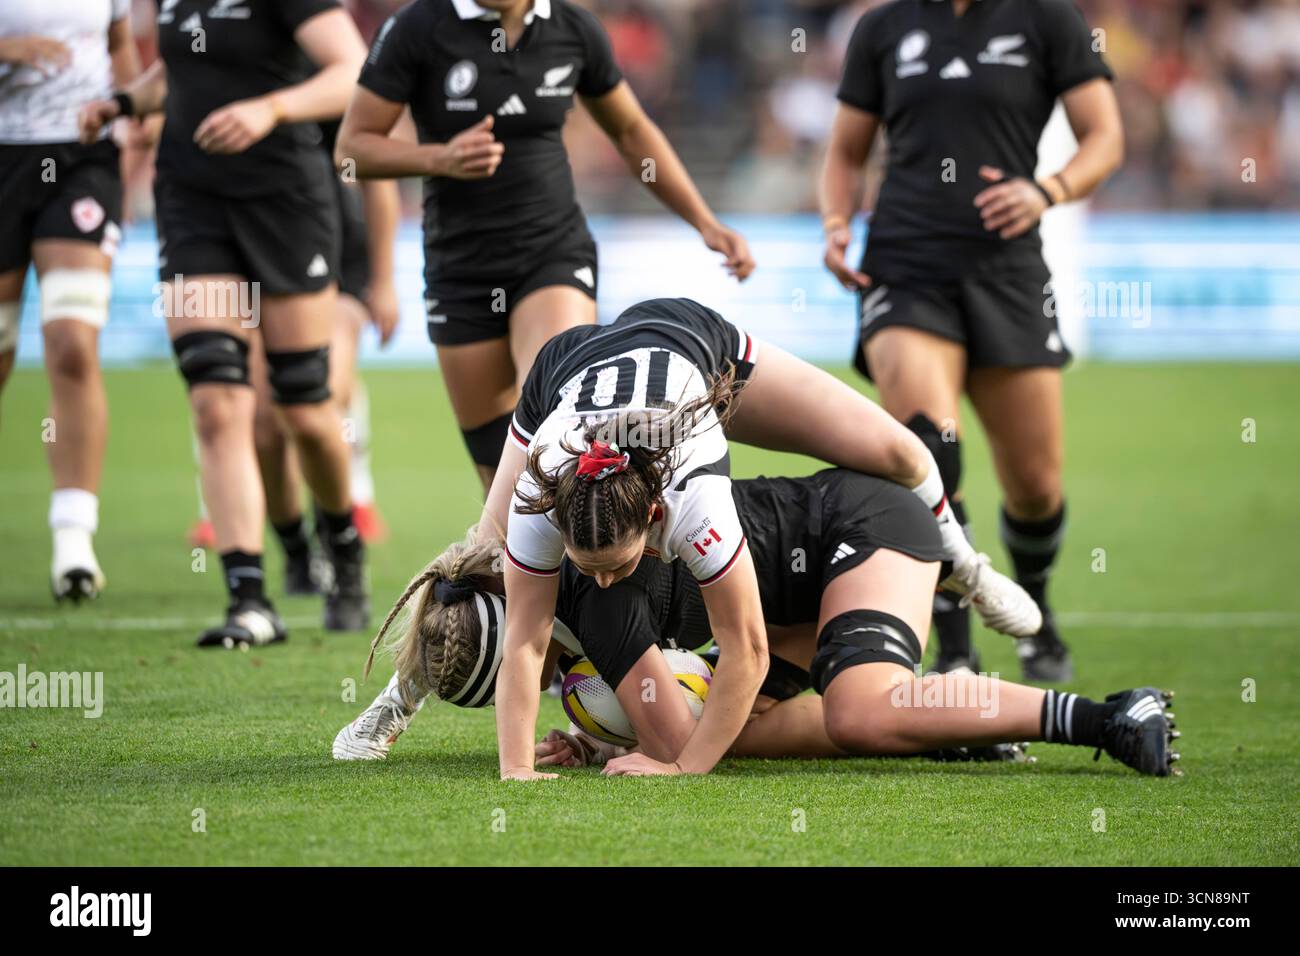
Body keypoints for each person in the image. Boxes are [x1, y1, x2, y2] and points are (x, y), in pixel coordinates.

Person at [481, 296, 1042, 780]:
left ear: (654, 514)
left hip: (691, 337)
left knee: (900, 452)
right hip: (567, 362)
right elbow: (525, 643)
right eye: (588, 567)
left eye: (615, 567)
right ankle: (396, 698)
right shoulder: (540, 493)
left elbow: (748, 649)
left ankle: (966, 567)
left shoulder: (695, 496)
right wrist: (516, 767)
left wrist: (685, 768)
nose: (600, 582)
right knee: (484, 544)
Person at [335, 469, 1179, 777]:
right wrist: (597, 739)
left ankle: (1109, 716)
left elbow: (671, 745)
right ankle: (945, 721)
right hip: (794, 607)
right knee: (742, 726)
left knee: (827, 713)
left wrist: (624, 740)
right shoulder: (557, 579)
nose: (550, 683)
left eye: (534, 674)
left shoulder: (592, 596)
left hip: (856, 529)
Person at [819, 0, 1123, 681]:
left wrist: (1049, 190)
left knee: (1036, 486)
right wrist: (837, 221)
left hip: (1009, 272)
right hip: (904, 265)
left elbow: (1105, 135)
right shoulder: (883, 26)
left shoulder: (1049, 20)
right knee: (931, 453)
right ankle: (954, 647)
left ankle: (1035, 611)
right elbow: (845, 151)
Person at [335, 0, 754, 492]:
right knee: (501, 475)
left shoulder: (572, 28)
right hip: (459, 269)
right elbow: (351, 148)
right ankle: (521, 562)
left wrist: (703, 221)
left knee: (563, 423)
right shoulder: (417, 27)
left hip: (553, 254)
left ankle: (605, 558)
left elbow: (631, 130)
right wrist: (440, 158)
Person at [79, 0, 371, 646]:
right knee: (216, 399)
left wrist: (271, 109)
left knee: (302, 408)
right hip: (192, 204)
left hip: (285, 203)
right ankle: (250, 598)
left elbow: (351, 69)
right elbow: (182, 76)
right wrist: (125, 103)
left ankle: (341, 545)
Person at [0, 0, 139, 601]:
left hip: (82, 156)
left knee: (73, 342)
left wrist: (137, 112)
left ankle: (74, 543)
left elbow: (120, 47)